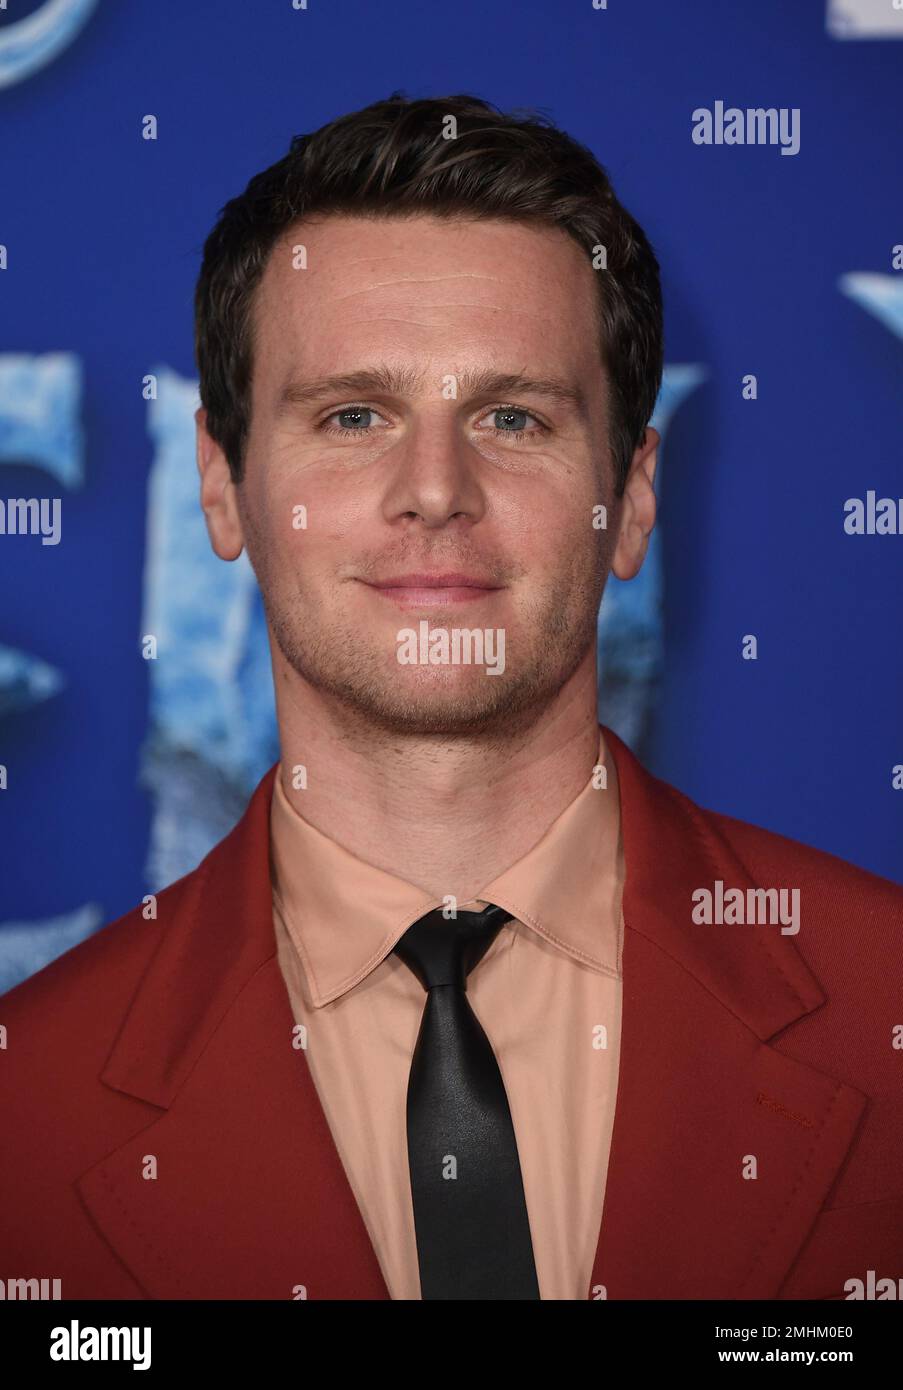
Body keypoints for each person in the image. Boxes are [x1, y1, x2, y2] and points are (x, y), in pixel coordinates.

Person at [2, 93, 901, 1302]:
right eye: (355, 415)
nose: (434, 488)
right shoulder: (26, 1109)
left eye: (512, 416)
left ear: (633, 494)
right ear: (222, 485)